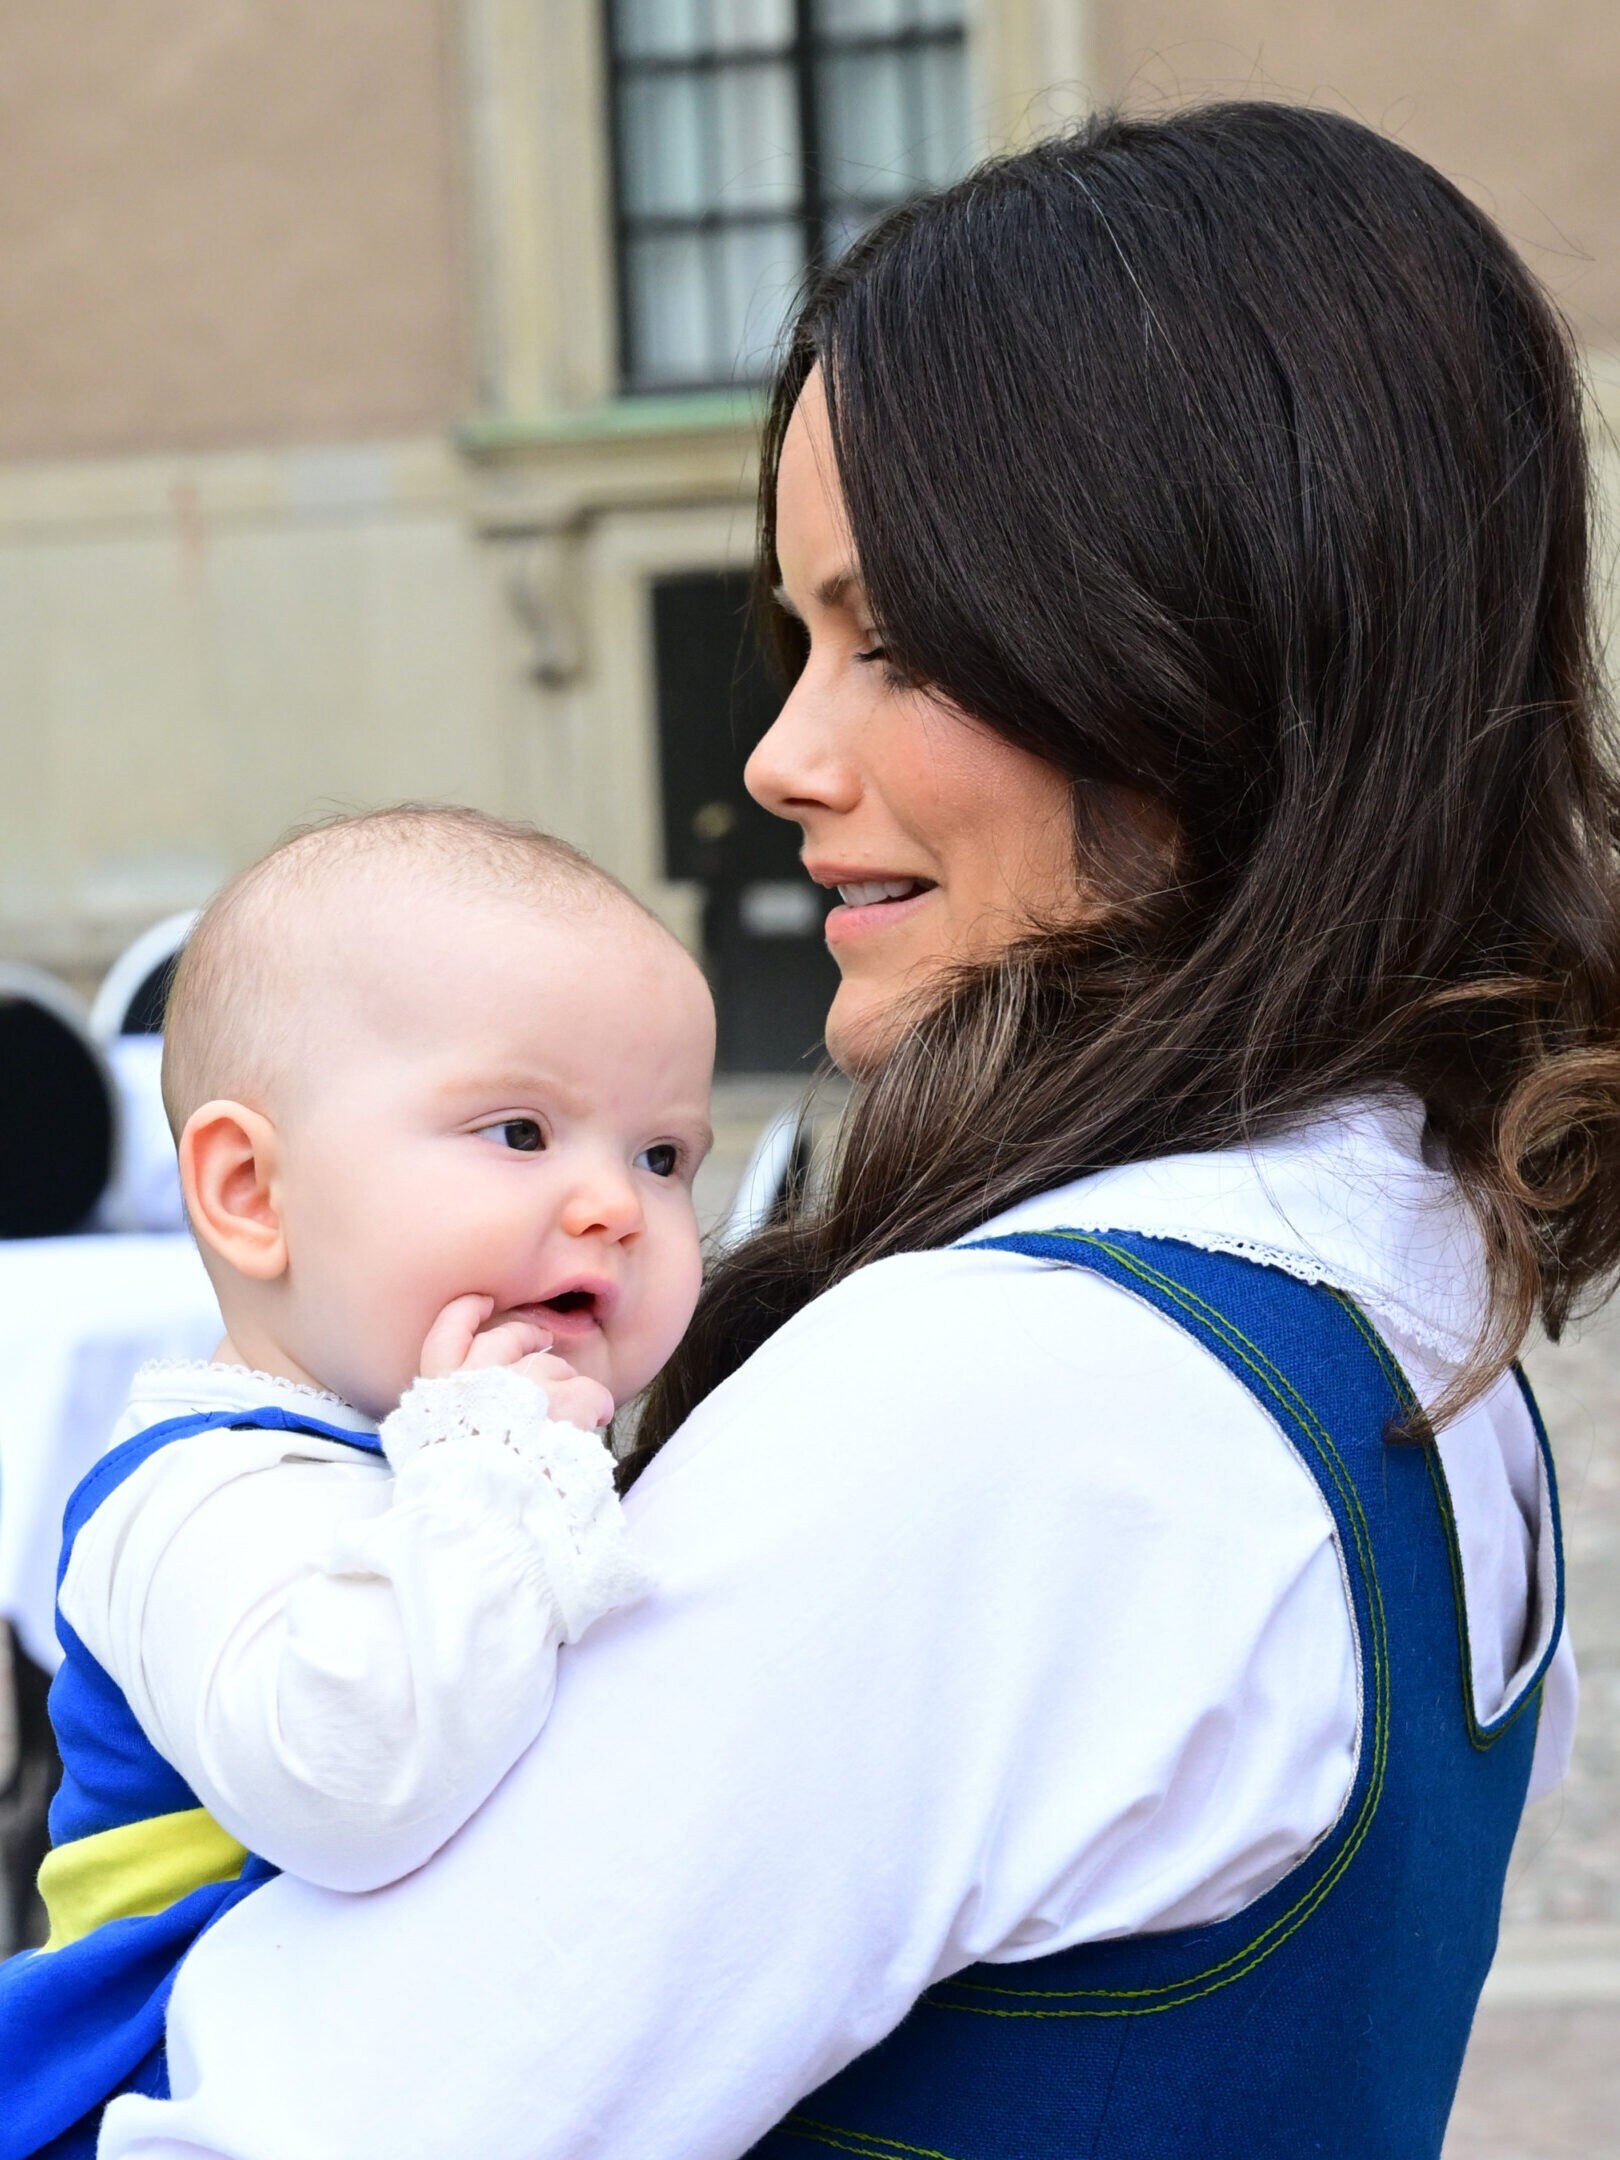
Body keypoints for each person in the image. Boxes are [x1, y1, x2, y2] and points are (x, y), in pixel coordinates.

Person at [99, 103, 1620, 2159]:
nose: (783, 757)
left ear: (1205, 652)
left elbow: (300, 2128)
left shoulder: (1025, 1396)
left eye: (894, 637)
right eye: (798, 635)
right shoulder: (1413, 1314)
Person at [0, 807, 715, 2160]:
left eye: (664, 1155)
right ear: (251, 1192)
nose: (617, 1204)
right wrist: (497, 1464)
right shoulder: (201, 1495)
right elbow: (349, 1784)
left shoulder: (466, 1460)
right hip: (171, 2103)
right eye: (519, 1130)